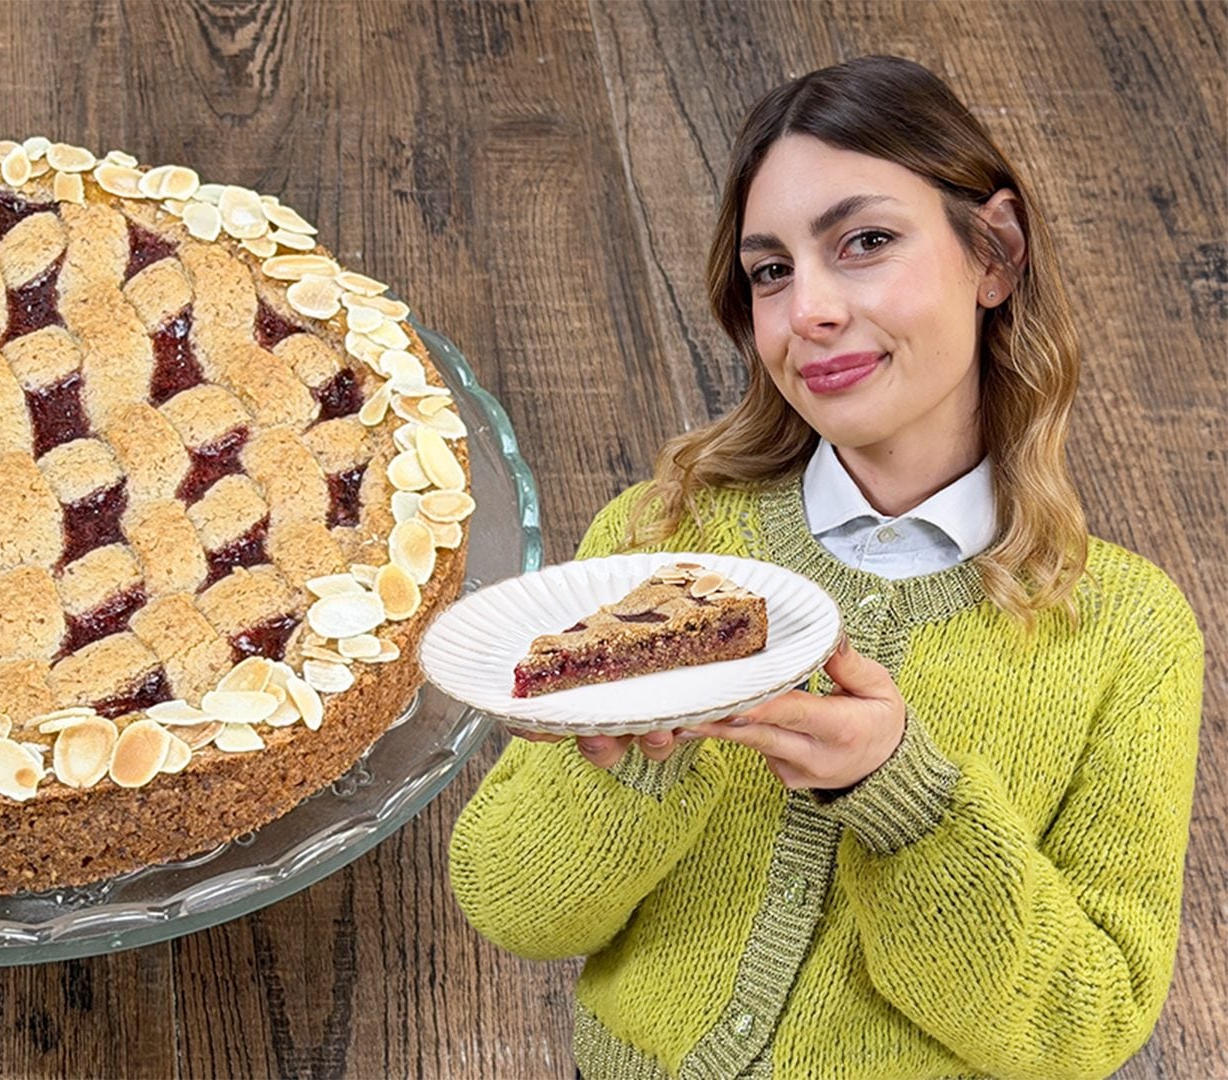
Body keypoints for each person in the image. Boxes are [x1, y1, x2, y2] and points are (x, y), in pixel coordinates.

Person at [447, 55, 1203, 1080]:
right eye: (772, 272)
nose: (808, 311)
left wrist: (906, 801)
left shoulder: (1128, 628)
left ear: (997, 254)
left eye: (866, 243)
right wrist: (633, 765)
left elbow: (1085, 1027)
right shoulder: (662, 534)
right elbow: (511, 905)